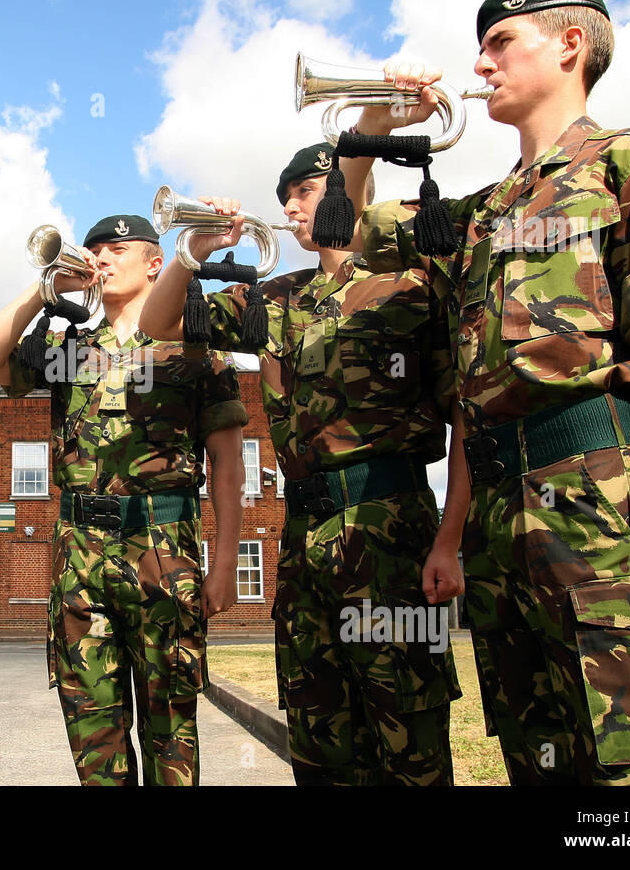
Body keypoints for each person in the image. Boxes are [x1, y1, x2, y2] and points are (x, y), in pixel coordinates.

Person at [351, 0, 630, 784]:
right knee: (539, 757)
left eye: (501, 42)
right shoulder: (478, 212)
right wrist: (372, 127)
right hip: (500, 516)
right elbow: (353, 228)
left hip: (596, 497)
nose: (480, 62)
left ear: (570, 44)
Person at [140, 148, 466, 785]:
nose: (289, 207)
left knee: (409, 735)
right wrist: (195, 250)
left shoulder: (415, 282)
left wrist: (451, 538)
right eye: (284, 195)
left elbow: (467, 414)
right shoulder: (278, 297)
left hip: (390, 527)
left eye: (307, 190)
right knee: (319, 739)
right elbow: (158, 322)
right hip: (304, 536)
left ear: (348, 193)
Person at [0, 214, 247, 785]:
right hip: (81, 555)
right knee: (93, 729)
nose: (102, 257)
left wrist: (224, 566)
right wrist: (46, 286)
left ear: (154, 263)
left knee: (172, 731)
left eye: (118, 248)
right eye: (95, 249)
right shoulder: (70, 351)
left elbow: (228, 468)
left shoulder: (193, 351)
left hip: (165, 548)